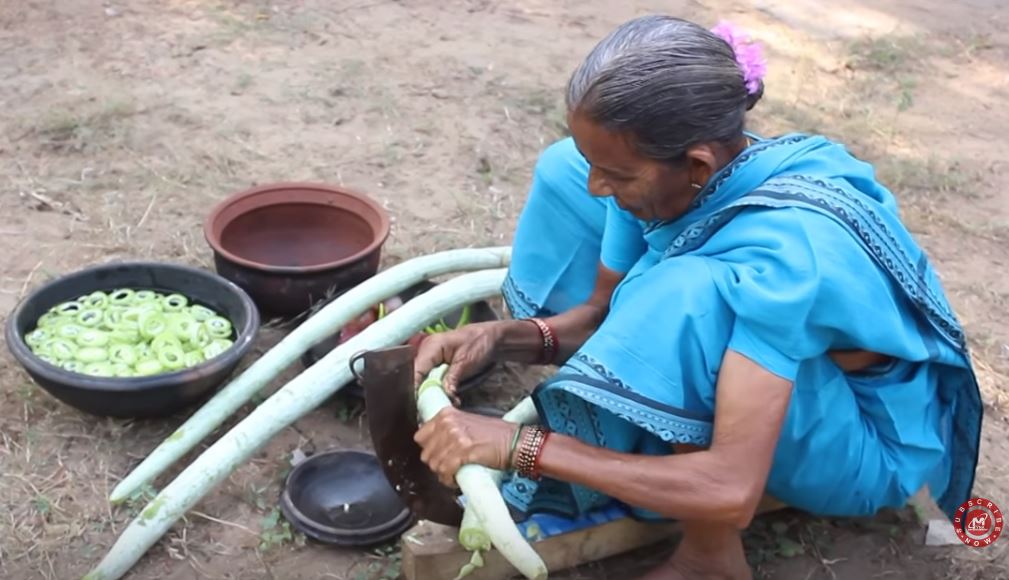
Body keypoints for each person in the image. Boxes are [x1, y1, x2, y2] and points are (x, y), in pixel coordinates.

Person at [412, 15, 982, 579]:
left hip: (863, 442)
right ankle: (651, 433)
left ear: (697, 166)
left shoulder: (780, 256)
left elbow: (731, 487)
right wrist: (502, 339)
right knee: (562, 173)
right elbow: (602, 314)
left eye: (614, 172)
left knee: (687, 296)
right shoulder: (679, 181)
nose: (598, 185)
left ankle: (710, 558)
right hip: (773, 384)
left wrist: (523, 446)